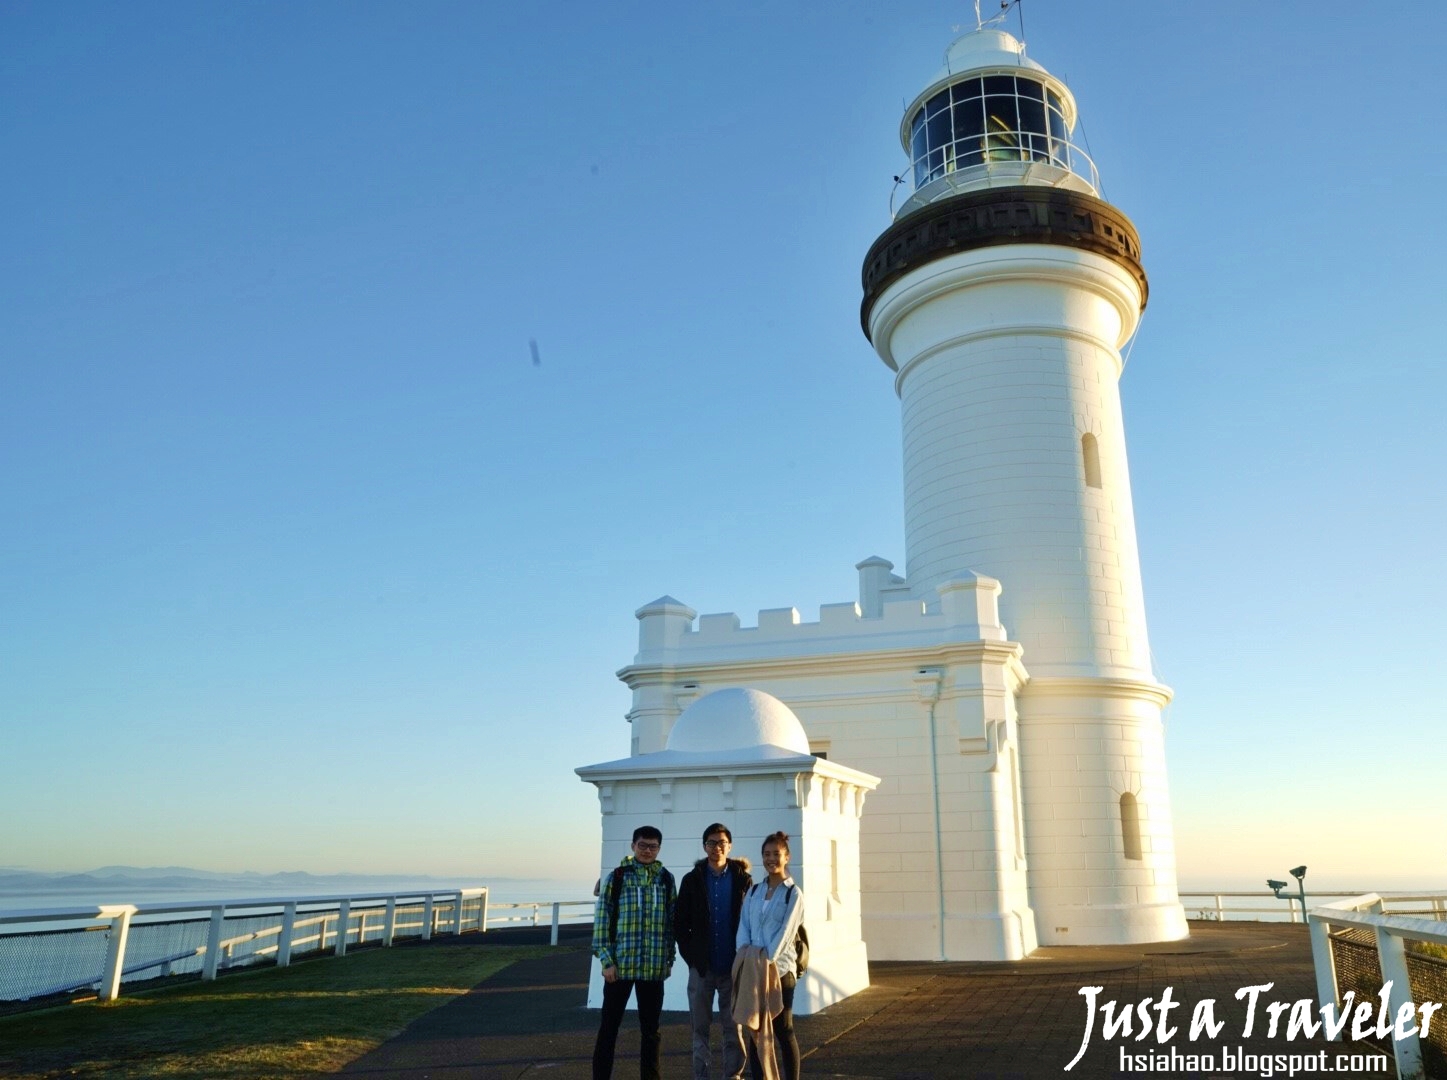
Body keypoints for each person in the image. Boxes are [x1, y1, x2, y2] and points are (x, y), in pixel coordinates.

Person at [591, 825, 677, 1080]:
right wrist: (607, 961)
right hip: (619, 968)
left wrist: (669, 959)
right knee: (609, 1028)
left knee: (651, 1031)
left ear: (659, 848)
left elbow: (671, 922)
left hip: (653, 969)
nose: (647, 850)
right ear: (633, 846)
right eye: (642, 845)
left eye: (653, 846)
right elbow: (602, 920)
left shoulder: (666, 878)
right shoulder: (617, 877)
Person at [675, 822, 753, 1080]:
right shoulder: (691, 880)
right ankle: (702, 1075)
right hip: (701, 968)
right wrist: (692, 959)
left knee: (734, 1027)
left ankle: (733, 1075)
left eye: (721, 843)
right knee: (700, 1027)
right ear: (704, 846)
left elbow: (750, 920)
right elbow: (680, 924)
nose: (716, 847)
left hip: (733, 967)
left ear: (729, 846)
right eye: (711, 842)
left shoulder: (743, 879)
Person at [735, 831, 804, 1080]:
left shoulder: (792, 894)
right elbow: (744, 925)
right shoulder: (754, 891)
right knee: (755, 1028)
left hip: (780, 970)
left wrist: (767, 957)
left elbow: (787, 931)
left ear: (787, 857)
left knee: (783, 1029)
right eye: (767, 854)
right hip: (753, 967)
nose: (771, 858)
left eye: (776, 854)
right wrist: (744, 953)